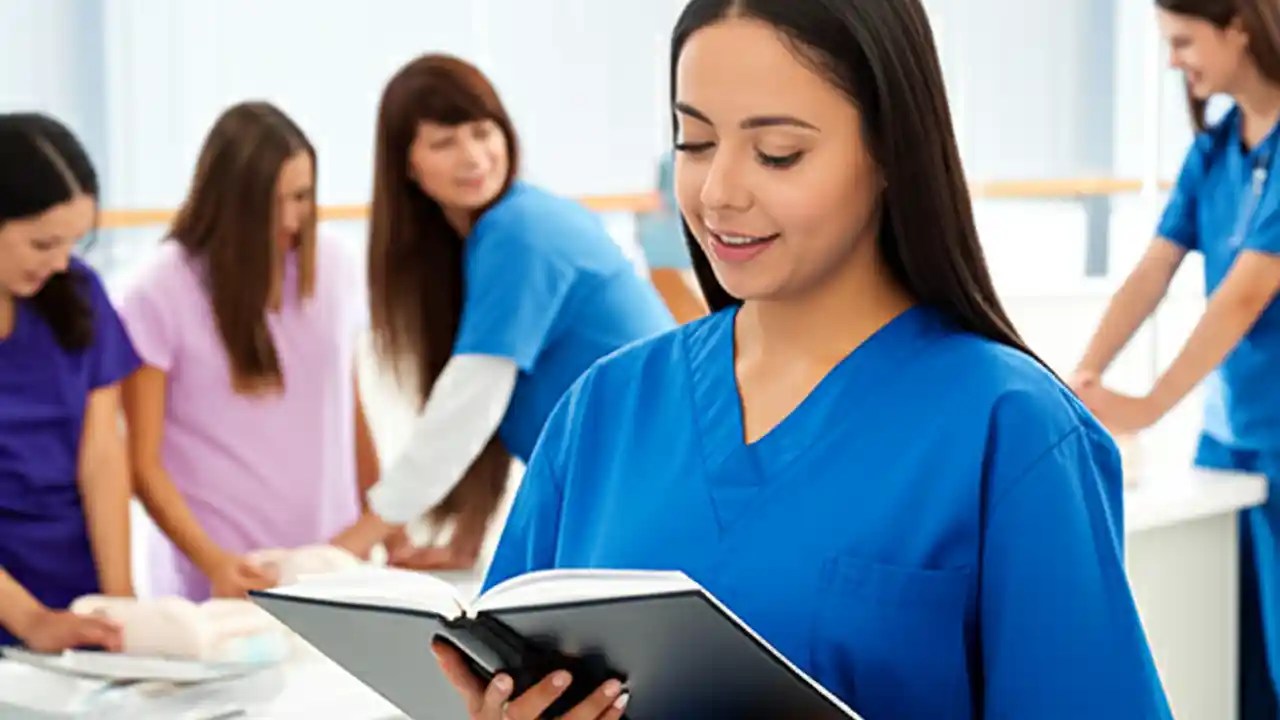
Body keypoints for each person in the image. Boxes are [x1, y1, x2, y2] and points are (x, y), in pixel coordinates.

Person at [431, 0, 1176, 718]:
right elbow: (497, 672)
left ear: (890, 150)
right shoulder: (605, 409)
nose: (719, 192)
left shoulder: (1010, 430)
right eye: (693, 142)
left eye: (777, 154)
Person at [333, 54, 676, 569]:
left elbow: (472, 401)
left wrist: (357, 540)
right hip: (622, 491)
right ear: (407, 164)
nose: (472, 157)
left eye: (481, 131)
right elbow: (497, 410)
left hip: (652, 487)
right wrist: (464, 541)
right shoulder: (486, 241)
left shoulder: (520, 230)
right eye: (444, 142)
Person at [1072, 1, 1280, 716]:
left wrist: (1149, 405)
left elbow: (1248, 292)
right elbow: (1152, 271)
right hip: (1228, 440)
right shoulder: (1217, 150)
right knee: (1230, 658)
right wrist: (1081, 379)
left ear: (1241, 27)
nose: (1172, 62)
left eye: (1183, 40)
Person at [118, 102, 378, 601]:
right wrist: (213, 562)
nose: (289, 219)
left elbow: (347, 407)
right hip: (219, 586)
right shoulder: (159, 288)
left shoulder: (336, 264)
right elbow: (141, 461)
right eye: (268, 203)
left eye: (301, 197)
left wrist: (381, 518)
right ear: (226, 201)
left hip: (333, 571)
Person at [0, 113, 138, 650]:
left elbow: (102, 458)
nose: (60, 263)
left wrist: (121, 603)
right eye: (42, 244)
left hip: (78, 601)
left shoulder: (77, 293)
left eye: (73, 243)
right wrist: (31, 620)